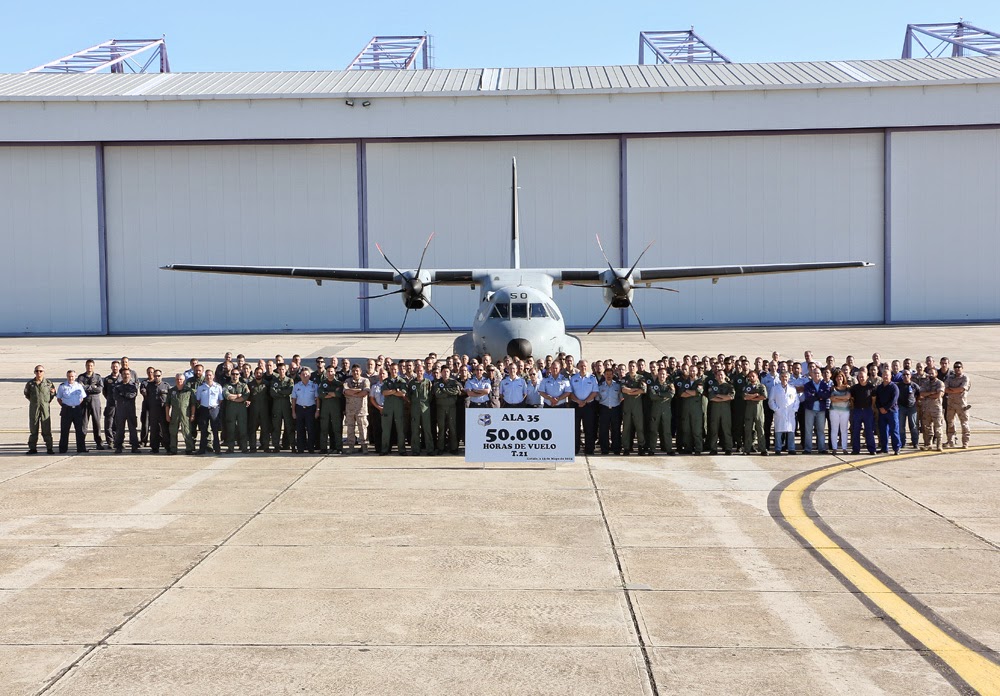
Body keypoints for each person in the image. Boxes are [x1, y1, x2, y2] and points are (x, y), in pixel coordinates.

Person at [569, 360, 599, 455]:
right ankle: (575, 449)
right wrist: (578, 401)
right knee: (575, 428)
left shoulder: (592, 378)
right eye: (581, 366)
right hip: (576, 405)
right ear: (578, 367)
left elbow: (595, 392)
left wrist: (585, 401)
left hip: (589, 406)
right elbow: (570, 392)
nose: (583, 368)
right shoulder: (573, 378)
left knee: (589, 428)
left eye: (585, 366)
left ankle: (589, 449)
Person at [800, 366, 831, 454]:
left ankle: (821, 448)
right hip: (810, 409)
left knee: (821, 430)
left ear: (821, 375)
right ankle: (808, 449)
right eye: (815, 373)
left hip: (821, 410)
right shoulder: (807, 385)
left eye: (818, 373)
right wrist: (819, 396)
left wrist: (816, 395)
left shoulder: (825, 385)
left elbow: (826, 395)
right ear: (811, 375)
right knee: (808, 430)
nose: (816, 375)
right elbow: (808, 397)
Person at [433, 365, 463, 455]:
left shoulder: (454, 382)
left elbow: (456, 391)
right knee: (441, 428)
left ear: (449, 373)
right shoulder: (437, 383)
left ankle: (453, 447)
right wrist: (449, 393)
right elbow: (437, 394)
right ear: (441, 373)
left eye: (447, 371)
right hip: (441, 408)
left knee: (452, 428)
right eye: (444, 371)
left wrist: (444, 390)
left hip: (451, 408)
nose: (445, 373)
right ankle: (441, 447)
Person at [620, 361, 649, 455]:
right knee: (626, 428)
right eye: (630, 366)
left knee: (639, 427)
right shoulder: (625, 378)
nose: (631, 368)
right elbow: (623, 389)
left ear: (636, 368)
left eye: (633, 366)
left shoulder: (641, 378)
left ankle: (641, 446)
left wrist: (630, 392)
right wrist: (635, 390)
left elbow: (643, 390)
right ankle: (626, 447)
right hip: (627, 406)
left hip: (637, 406)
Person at [56, 369, 88, 453]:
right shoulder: (62, 386)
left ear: (75, 377)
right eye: (69, 376)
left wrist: (76, 404)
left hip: (77, 409)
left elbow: (82, 397)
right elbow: (59, 398)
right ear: (67, 377)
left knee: (79, 430)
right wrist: (65, 406)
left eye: (72, 376)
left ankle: (81, 448)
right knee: (64, 430)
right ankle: (63, 449)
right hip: (66, 410)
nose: (71, 378)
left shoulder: (78, 386)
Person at [380, 363, 408, 455]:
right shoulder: (385, 381)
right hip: (388, 407)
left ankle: (402, 449)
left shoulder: (402, 381)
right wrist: (396, 391)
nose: (394, 371)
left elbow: (403, 394)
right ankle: (385, 449)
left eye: (395, 369)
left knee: (400, 429)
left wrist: (391, 392)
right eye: (392, 369)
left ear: (398, 370)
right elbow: (384, 392)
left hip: (398, 407)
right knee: (386, 429)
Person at [706, 367, 735, 455]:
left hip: (725, 410)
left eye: (722, 375)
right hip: (715, 409)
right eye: (718, 375)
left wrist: (718, 396)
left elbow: (731, 396)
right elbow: (711, 398)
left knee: (726, 429)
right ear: (716, 377)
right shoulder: (713, 386)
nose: (720, 376)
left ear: (725, 376)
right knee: (714, 429)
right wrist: (723, 398)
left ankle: (728, 448)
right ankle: (713, 448)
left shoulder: (729, 386)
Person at [769, 371, 799, 455]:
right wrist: (776, 409)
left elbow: (797, 400)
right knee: (778, 432)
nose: (784, 378)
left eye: (786, 376)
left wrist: (794, 409)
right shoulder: (775, 388)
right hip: (779, 412)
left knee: (791, 431)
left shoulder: (792, 389)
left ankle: (791, 448)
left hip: (790, 412)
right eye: (782, 376)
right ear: (779, 378)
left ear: (788, 378)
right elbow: (771, 401)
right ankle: (778, 448)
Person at [194, 369, 224, 454]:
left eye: (210, 375)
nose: (208, 377)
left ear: (213, 376)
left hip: (214, 409)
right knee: (203, 430)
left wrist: (214, 406)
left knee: (215, 430)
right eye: (207, 375)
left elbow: (220, 399)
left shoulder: (218, 387)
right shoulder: (201, 387)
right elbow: (198, 399)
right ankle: (202, 449)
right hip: (204, 409)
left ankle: (217, 449)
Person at [290, 368, 319, 454]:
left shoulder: (314, 385)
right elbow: (294, 399)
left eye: (306, 374)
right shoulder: (297, 386)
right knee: (300, 429)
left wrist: (317, 410)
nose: (305, 376)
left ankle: (311, 447)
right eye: (303, 374)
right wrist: (293, 411)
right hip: (300, 409)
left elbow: (317, 399)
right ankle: (300, 448)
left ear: (309, 375)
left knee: (310, 429)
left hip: (310, 409)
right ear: (300, 376)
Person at [165, 373, 195, 455]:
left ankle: (189, 448)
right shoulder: (172, 391)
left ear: (184, 380)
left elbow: (193, 404)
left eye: (181, 379)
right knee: (173, 431)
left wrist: (192, 414)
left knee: (187, 431)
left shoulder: (188, 390)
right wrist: (167, 415)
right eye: (177, 379)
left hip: (185, 414)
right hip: (175, 414)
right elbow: (167, 404)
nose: (179, 381)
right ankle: (173, 449)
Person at [849, 371, 877, 456]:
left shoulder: (871, 387)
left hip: (867, 410)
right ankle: (856, 449)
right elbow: (852, 400)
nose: (861, 378)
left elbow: (873, 399)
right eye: (860, 377)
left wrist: (872, 408)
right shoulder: (854, 388)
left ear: (867, 377)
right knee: (856, 430)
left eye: (863, 377)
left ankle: (872, 449)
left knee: (869, 430)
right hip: (857, 410)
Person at [678, 366, 705, 455]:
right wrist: (691, 392)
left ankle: (698, 448)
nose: (692, 372)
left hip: (696, 409)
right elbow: (681, 394)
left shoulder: (700, 382)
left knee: (697, 430)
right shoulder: (684, 381)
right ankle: (688, 448)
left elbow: (698, 392)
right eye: (691, 371)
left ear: (697, 371)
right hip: (686, 409)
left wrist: (687, 391)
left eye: (694, 371)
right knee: (686, 429)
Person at [648, 367, 675, 455]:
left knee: (667, 431)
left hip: (666, 410)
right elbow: (652, 396)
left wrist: (659, 394)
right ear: (657, 375)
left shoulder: (669, 385)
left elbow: (671, 394)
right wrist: (663, 395)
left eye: (663, 374)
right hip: (655, 410)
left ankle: (669, 449)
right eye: (660, 374)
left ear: (666, 375)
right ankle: (652, 449)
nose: (662, 376)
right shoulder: (653, 385)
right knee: (654, 430)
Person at [113, 369, 141, 454]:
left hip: (130, 410)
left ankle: (134, 446)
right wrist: (124, 394)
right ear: (121, 375)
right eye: (124, 374)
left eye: (128, 374)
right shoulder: (117, 386)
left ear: (130, 375)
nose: (126, 376)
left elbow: (132, 395)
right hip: (121, 410)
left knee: (133, 429)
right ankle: (118, 446)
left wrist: (122, 394)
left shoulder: (133, 386)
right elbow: (116, 396)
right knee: (120, 429)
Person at [223, 367, 251, 453]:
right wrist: (238, 396)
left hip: (241, 410)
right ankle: (230, 448)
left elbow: (245, 396)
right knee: (230, 429)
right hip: (230, 410)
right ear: (230, 375)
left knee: (242, 428)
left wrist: (234, 398)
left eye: (236, 374)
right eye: (233, 374)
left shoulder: (244, 385)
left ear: (239, 375)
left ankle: (244, 447)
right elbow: (226, 395)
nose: (235, 376)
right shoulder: (226, 385)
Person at [78, 359, 104, 450]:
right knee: (84, 424)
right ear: (85, 366)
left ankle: (99, 443)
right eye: (88, 365)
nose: (89, 367)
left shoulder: (97, 377)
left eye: (91, 366)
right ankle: (81, 444)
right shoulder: (81, 377)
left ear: (94, 366)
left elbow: (99, 389)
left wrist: (86, 387)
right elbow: (80, 388)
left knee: (97, 423)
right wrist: (93, 387)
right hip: (85, 401)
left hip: (95, 401)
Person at [944, 361, 971, 449]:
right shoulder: (950, 378)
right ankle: (950, 441)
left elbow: (961, 389)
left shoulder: (965, 378)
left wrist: (952, 390)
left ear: (962, 368)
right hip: (951, 404)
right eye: (955, 367)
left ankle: (965, 442)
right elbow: (945, 389)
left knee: (964, 424)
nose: (957, 369)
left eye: (959, 367)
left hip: (961, 405)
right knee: (950, 423)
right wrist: (954, 390)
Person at [143, 369, 170, 453]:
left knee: (165, 430)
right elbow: (146, 399)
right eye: (155, 376)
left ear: (161, 376)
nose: (156, 377)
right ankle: (154, 447)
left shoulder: (166, 385)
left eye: (158, 376)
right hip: (153, 411)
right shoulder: (149, 386)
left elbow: (169, 399)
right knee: (154, 430)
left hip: (163, 411)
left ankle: (167, 447)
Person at [875, 369, 901, 455]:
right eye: (884, 375)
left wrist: (885, 408)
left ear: (890, 376)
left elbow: (894, 400)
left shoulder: (894, 387)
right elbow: (877, 400)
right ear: (882, 376)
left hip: (892, 412)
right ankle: (884, 448)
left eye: (887, 375)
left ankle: (896, 448)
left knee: (894, 430)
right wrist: (880, 408)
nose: (885, 377)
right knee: (883, 430)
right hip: (882, 413)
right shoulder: (879, 387)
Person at [408, 366, 433, 455]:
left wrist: (425, 403)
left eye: (421, 371)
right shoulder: (412, 383)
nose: (419, 372)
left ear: (424, 371)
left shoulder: (428, 382)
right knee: (415, 429)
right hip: (415, 408)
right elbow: (409, 396)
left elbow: (430, 395)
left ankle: (429, 449)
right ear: (415, 371)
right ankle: (415, 450)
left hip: (425, 408)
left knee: (427, 429)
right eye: (418, 371)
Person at [742, 370, 768, 456]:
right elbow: (745, 397)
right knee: (748, 429)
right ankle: (747, 448)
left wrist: (752, 397)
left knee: (760, 429)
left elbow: (763, 397)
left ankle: (763, 448)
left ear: (757, 377)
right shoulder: (746, 387)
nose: (752, 378)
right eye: (750, 376)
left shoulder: (761, 386)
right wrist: (755, 395)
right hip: (749, 409)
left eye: (753, 376)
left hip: (759, 410)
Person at [597, 367, 623, 455]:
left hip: (615, 409)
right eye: (607, 374)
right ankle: (605, 449)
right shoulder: (600, 386)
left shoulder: (618, 385)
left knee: (616, 430)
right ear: (604, 375)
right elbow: (598, 398)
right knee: (604, 430)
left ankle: (616, 448)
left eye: (610, 374)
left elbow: (621, 397)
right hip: (604, 409)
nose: (608, 376)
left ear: (613, 375)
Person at [269, 364, 295, 452]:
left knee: (289, 427)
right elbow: (272, 392)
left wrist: (279, 391)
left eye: (283, 369)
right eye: (279, 369)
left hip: (287, 406)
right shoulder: (274, 380)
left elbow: (290, 390)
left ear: (286, 370)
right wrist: (283, 393)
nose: (281, 371)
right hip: (276, 407)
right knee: (276, 427)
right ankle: (276, 445)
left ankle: (293, 445)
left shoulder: (289, 380)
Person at [919, 369, 945, 451]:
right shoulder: (925, 383)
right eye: (929, 373)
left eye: (932, 373)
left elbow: (938, 395)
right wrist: (931, 393)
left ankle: (939, 445)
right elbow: (921, 394)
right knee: (927, 427)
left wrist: (928, 395)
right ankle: (928, 444)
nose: (930, 375)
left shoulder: (939, 383)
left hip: (936, 409)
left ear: (936, 374)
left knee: (938, 427)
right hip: (926, 408)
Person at [247, 367, 272, 453]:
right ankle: (252, 447)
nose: (258, 374)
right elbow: (247, 397)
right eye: (257, 372)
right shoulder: (250, 385)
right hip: (253, 411)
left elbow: (270, 397)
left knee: (265, 430)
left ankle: (266, 446)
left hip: (264, 411)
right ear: (254, 373)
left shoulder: (267, 384)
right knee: (252, 430)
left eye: (260, 373)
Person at [896, 370, 920, 450]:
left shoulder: (914, 386)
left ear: (910, 376)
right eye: (904, 374)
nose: (906, 376)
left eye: (907, 374)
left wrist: (915, 402)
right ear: (902, 376)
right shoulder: (899, 385)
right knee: (901, 426)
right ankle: (902, 443)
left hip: (912, 408)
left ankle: (915, 443)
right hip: (901, 407)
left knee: (913, 426)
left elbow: (918, 395)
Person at [829, 371, 851, 455]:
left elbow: (847, 397)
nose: (839, 378)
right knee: (834, 429)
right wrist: (842, 398)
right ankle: (834, 448)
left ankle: (844, 448)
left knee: (844, 430)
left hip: (845, 411)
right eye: (838, 377)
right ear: (835, 378)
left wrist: (837, 397)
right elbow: (832, 399)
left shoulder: (847, 387)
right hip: (834, 411)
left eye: (841, 376)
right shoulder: (832, 388)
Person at [102, 360, 120, 446]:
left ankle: (118, 440)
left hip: (120, 405)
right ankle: (110, 441)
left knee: (119, 423)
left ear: (119, 367)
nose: (115, 368)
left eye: (116, 366)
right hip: (110, 404)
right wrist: (109, 399)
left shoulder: (122, 378)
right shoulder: (107, 379)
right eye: (113, 366)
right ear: (111, 367)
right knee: (108, 423)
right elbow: (104, 391)